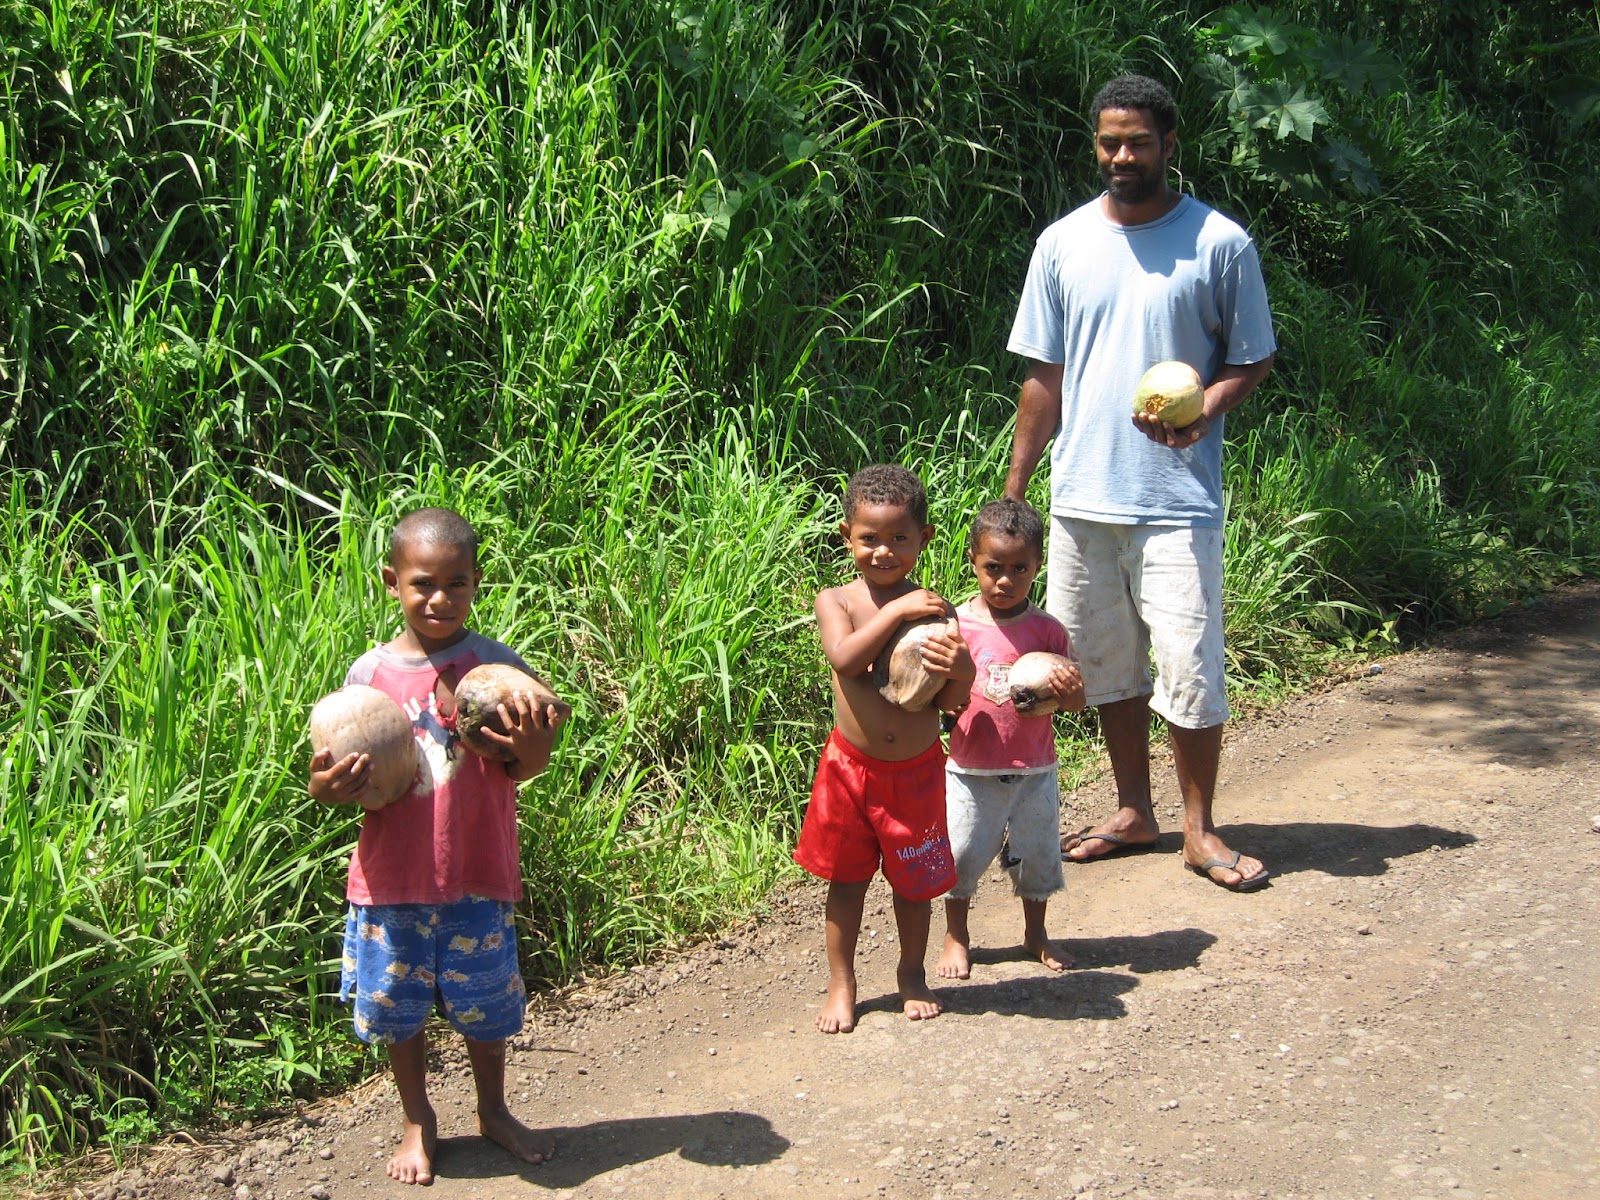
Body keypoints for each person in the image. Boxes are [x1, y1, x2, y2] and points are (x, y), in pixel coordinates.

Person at [1004, 74, 1277, 892]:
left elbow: (1253, 357)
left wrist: (1208, 411)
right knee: (1105, 666)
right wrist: (1017, 492)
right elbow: (1043, 377)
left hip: (1176, 499)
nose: (1122, 156)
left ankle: (1199, 829)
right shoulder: (1061, 244)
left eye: (1139, 142)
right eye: (1109, 141)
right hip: (1083, 494)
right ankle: (1135, 810)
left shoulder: (1219, 243)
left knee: (1191, 663)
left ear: (1170, 145)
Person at [309, 506, 567, 1184]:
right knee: (399, 1011)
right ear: (392, 582)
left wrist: (536, 746)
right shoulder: (366, 676)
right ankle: (418, 1118)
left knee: (486, 1005)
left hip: (476, 870)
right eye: (424, 583)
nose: (440, 598)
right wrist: (327, 788)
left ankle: (493, 1109)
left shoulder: (496, 665)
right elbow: (344, 781)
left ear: (476, 582)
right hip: (394, 876)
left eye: (457, 583)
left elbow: (531, 759)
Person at [796, 464, 976, 1032]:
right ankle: (842, 981)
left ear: (922, 539)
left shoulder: (938, 610)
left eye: (899, 538)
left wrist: (964, 672)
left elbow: (948, 703)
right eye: (869, 538)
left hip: (916, 774)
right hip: (850, 772)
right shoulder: (838, 602)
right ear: (847, 535)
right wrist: (897, 610)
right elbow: (845, 659)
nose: (883, 551)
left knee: (914, 884)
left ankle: (911, 973)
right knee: (847, 882)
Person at [936, 498, 1085, 980]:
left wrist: (1072, 694)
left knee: (1038, 855)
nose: (1005, 580)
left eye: (1019, 569)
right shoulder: (956, 625)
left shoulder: (1047, 631)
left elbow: (1073, 704)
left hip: (1034, 770)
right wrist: (946, 705)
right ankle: (956, 936)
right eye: (993, 567)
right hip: (969, 770)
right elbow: (937, 695)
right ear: (972, 561)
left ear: (1037, 565)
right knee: (960, 855)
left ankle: (1035, 934)